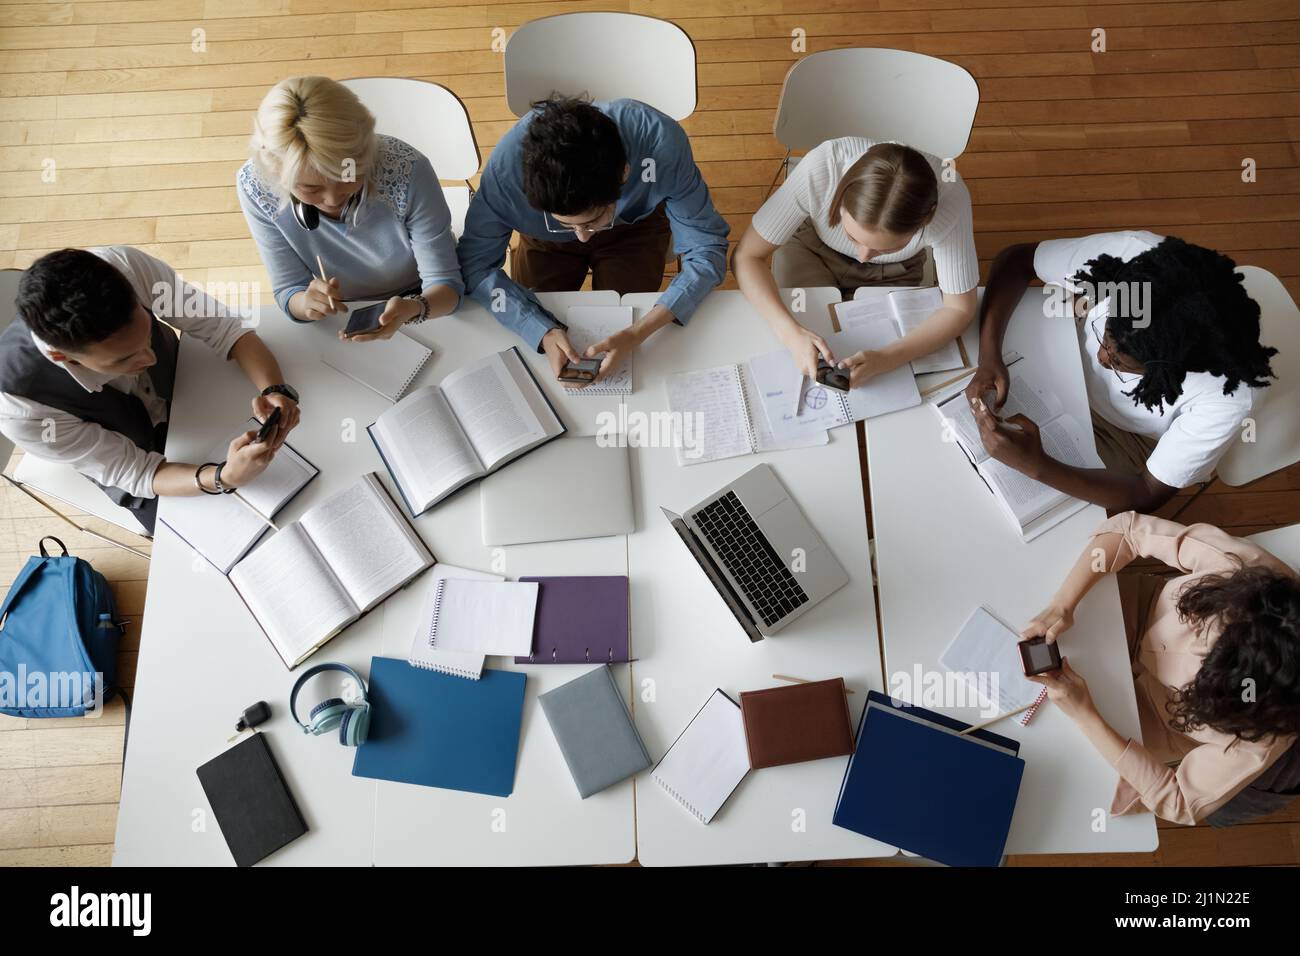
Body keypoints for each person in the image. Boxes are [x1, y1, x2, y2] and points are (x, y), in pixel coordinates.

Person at [1021, 511, 1300, 825]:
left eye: (1202, 669)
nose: (1190, 645)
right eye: (1200, 623)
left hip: (1158, 718)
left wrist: (1086, 715)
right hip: (1134, 609)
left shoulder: (1259, 742)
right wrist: (1062, 604)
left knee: (1051, 748)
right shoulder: (1244, 570)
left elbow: (1179, 803)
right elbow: (1128, 530)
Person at [965, 232, 1277, 512]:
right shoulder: (1133, 260)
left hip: (1127, 436)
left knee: (998, 500)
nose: (1101, 357)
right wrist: (989, 355)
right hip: (1063, 355)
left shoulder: (1230, 398)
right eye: (1107, 336)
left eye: (1119, 362)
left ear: (1171, 370)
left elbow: (1146, 492)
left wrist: (1037, 467)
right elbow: (1019, 260)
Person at [0, 246, 301, 534]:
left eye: (146, 334)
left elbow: (222, 326)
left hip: (185, 384)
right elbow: (136, 471)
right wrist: (224, 477)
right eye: (123, 359)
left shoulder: (126, 266)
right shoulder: (20, 410)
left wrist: (273, 388)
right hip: (134, 457)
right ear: (62, 356)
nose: (150, 358)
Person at [457, 96, 729, 383]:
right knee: (532, 331)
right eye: (568, 223)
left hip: (634, 230)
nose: (583, 238)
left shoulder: (661, 145)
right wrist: (540, 329)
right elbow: (475, 266)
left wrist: (639, 331)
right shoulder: (504, 178)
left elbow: (707, 247)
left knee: (626, 320)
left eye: (591, 222)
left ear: (624, 173)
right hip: (545, 239)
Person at [734, 138, 978, 383]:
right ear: (840, 197)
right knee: (804, 335)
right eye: (852, 236)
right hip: (812, 248)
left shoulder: (951, 200)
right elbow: (746, 256)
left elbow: (959, 308)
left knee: (875, 358)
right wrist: (789, 333)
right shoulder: (822, 168)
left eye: (884, 249)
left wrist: (888, 358)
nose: (863, 257)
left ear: (924, 222)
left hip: (895, 270)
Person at [237, 76, 463, 341]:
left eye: (346, 177)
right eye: (310, 188)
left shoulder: (409, 170)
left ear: (367, 154)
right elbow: (289, 290)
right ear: (278, 177)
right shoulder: (256, 186)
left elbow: (447, 286)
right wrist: (306, 303)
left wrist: (415, 308)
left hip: (420, 295)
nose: (333, 199)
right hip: (342, 310)